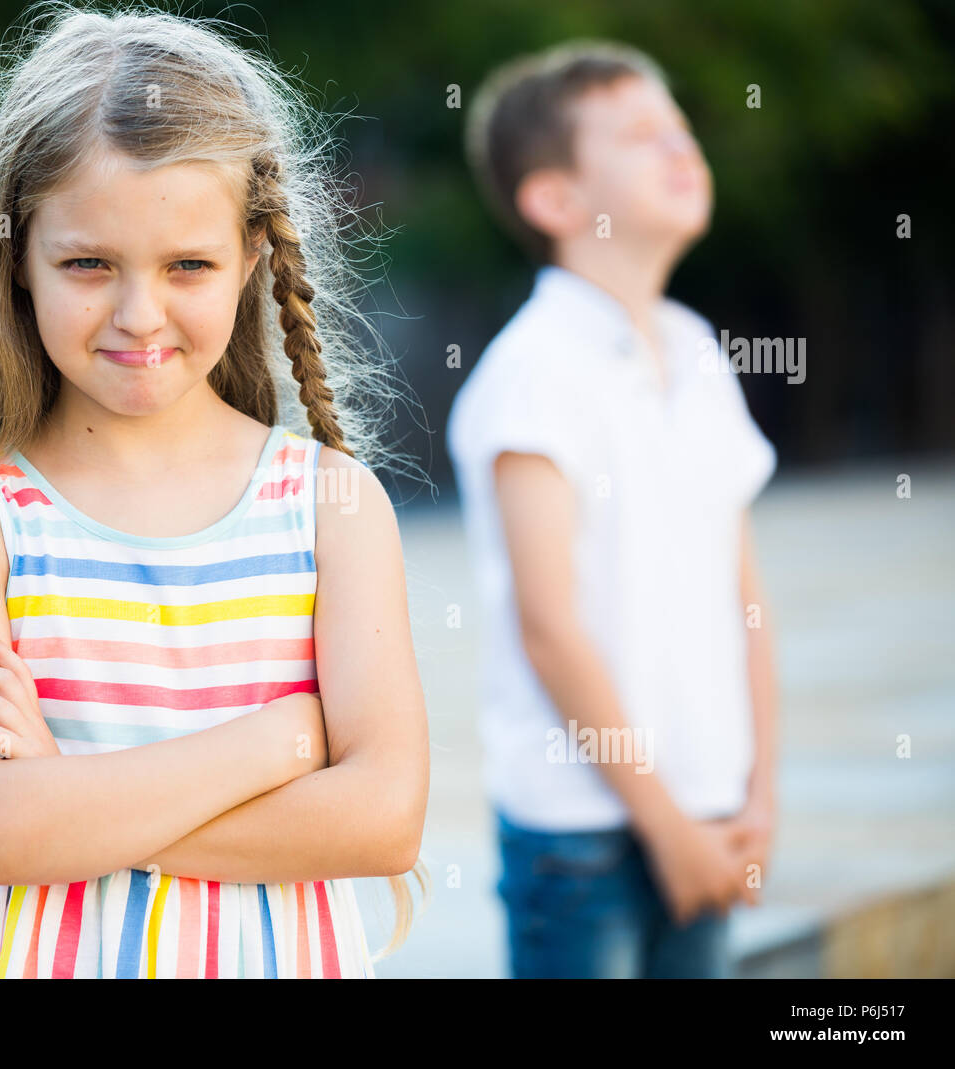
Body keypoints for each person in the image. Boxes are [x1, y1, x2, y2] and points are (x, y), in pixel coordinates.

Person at [0, 4, 429, 978]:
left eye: (188, 266)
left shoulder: (331, 505)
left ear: (250, 258)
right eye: (87, 263)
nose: (138, 314)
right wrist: (279, 740)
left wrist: (71, 802)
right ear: (18, 262)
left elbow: (383, 819)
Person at [448, 40, 780, 978]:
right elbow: (550, 626)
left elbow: (746, 596)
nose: (682, 148)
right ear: (554, 199)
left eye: (680, 127)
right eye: (642, 136)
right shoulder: (533, 375)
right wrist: (665, 825)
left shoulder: (696, 350)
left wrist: (758, 792)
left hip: (710, 805)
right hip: (583, 837)